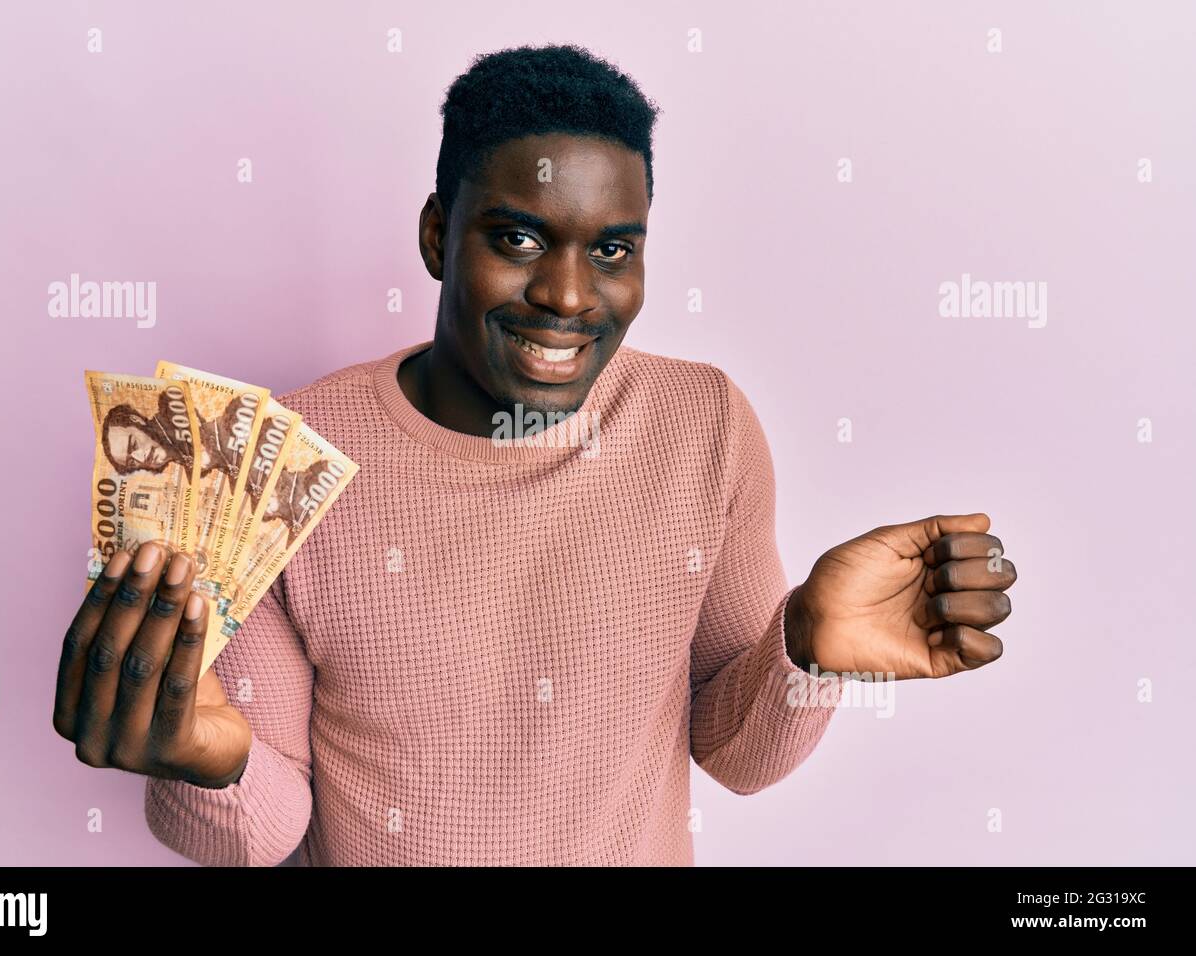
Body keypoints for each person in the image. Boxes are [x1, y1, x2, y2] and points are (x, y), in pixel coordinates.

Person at [54, 43, 1017, 866]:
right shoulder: (285, 461)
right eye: (517, 237)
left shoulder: (705, 427)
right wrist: (203, 759)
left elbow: (734, 752)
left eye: (611, 250)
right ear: (438, 235)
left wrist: (804, 647)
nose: (566, 295)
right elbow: (264, 830)